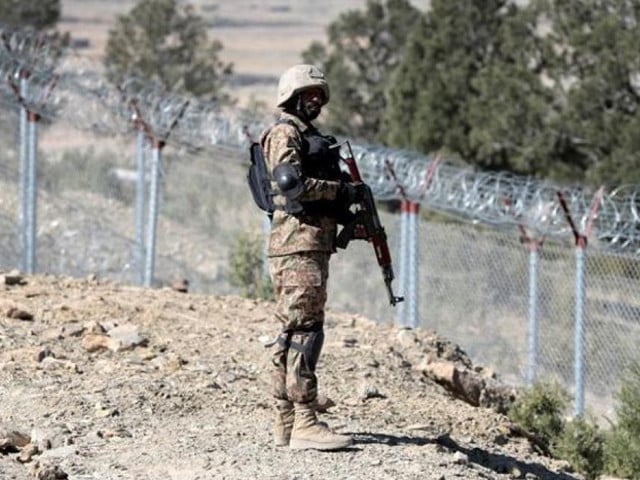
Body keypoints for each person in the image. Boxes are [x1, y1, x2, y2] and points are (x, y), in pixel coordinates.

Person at [260, 64, 365, 451]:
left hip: (307, 243)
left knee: (293, 329)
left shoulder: (310, 136)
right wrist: (340, 192)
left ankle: (285, 421)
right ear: (293, 97)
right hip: (297, 244)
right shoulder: (285, 132)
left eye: (320, 96)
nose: (317, 101)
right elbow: (291, 183)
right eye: (310, 95)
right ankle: (304, 420)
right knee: (305, 330)